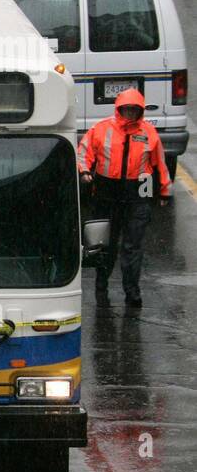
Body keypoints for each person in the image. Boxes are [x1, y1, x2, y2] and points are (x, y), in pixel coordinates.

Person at [77, 88, 172, 308]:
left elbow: (159, 164)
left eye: (134, 110)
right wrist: (84, 172)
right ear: (119, 109)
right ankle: (102, 285)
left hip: (138, 193)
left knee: (133, 246)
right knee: (104, 244)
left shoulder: (149, 133)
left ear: (140, 111)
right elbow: (83, 153)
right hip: (106, 194)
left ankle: (132, 291)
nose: (130, 113)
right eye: (126, 109)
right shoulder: (100, 129)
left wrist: (164, 191)